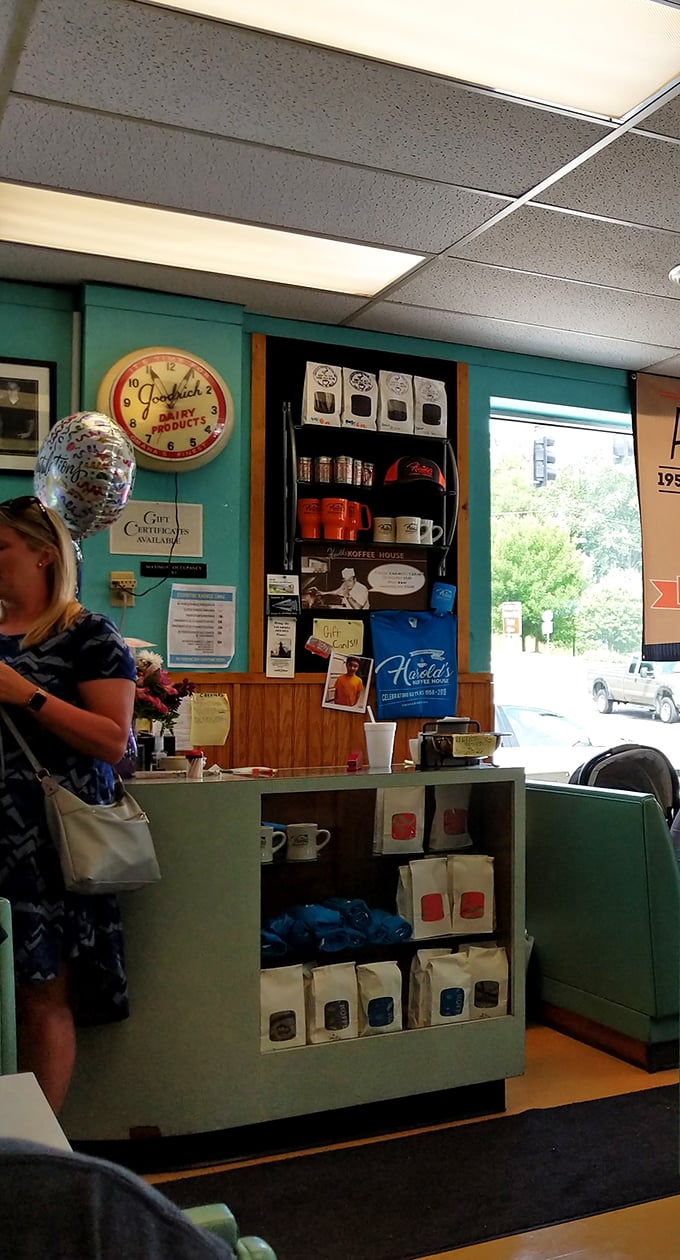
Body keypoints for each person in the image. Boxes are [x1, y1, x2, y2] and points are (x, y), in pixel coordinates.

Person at [0, 495, 136, 1113]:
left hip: (44, 845)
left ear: (44, 557)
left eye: (0, 547)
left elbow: (114, 741)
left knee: (40, 995)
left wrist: (23, 692)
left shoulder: (89, 636)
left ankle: (34, 1159)